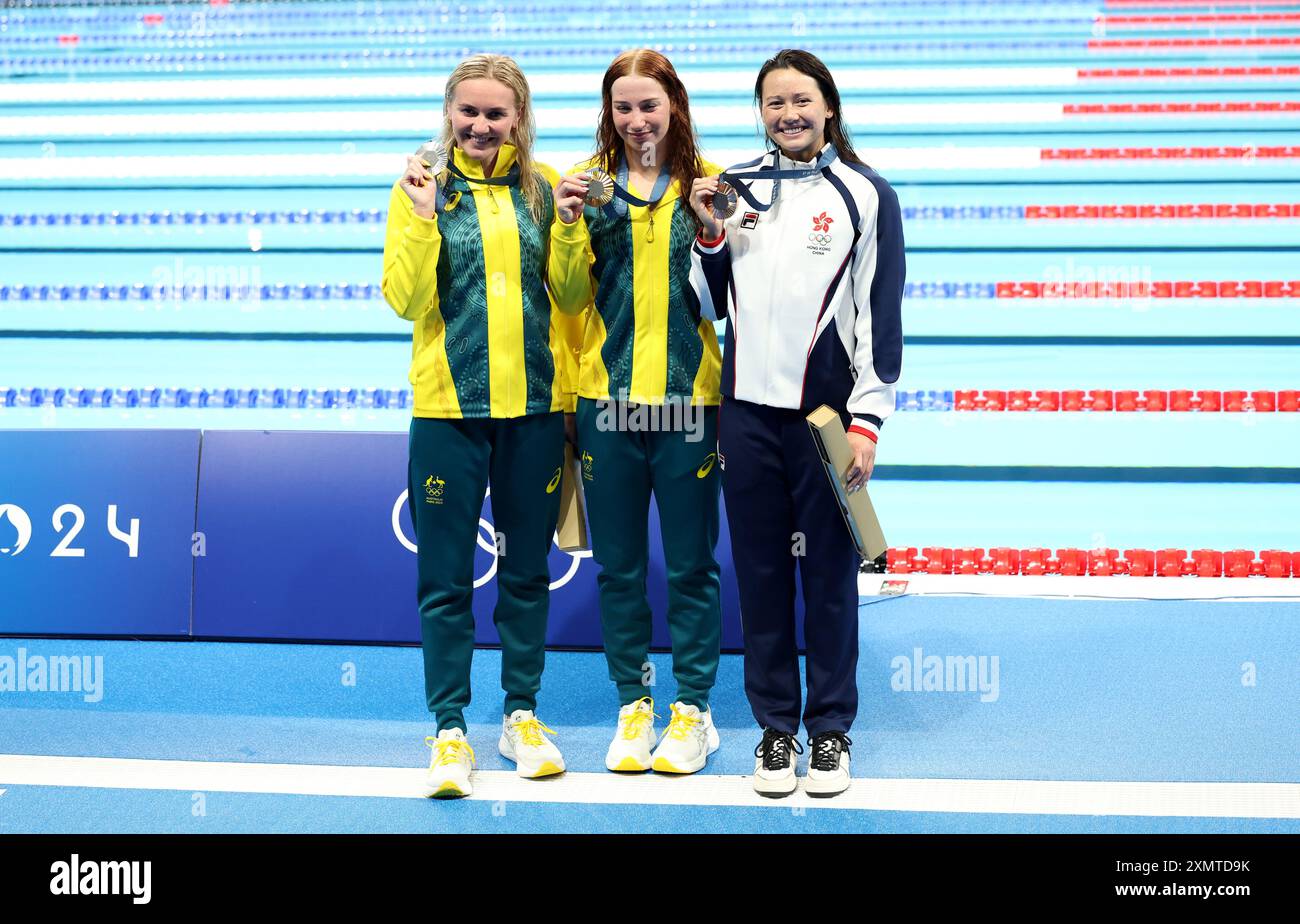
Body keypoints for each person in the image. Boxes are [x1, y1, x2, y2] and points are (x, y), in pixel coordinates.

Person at [687, 49, 905, 797]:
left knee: (833, 578)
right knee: (762, 576)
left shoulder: (867, 195)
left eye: (801, 100)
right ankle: (777, 732)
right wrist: (709, 235)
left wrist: (868, 422)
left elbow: (882, 317)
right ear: (762, 112)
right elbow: (707, 299)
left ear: (829, 107)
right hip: (745, 415)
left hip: (824, 418)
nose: (789, 114)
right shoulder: (735, 186)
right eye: (774, 102)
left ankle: (832, 732)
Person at [381, 53, 583, 798]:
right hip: (447, 413)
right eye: (468, 112)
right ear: (449, 113)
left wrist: (566, 226)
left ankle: (521, 714)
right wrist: (424, 219)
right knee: (444, 582)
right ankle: (448, 727)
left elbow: (568, 296)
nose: (480, 125)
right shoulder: (420, 189)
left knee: (527, 572)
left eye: (496, 114)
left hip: (533, 410)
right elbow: (402, 299)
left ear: (518, 120)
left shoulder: (541, 189)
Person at [548, 49, 725, 775]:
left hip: (689, 405)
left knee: (689, 567)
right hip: (608, 404)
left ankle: (693, 712)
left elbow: (729, 294)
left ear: (674, 105)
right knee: (618, 567)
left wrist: (713, 230)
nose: (636, 119)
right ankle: (633, 704)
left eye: (649, 105)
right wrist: (563, 226)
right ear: (608, 111)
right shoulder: (587, 188)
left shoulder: (708, 184)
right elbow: (565, 296)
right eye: (623, 106)